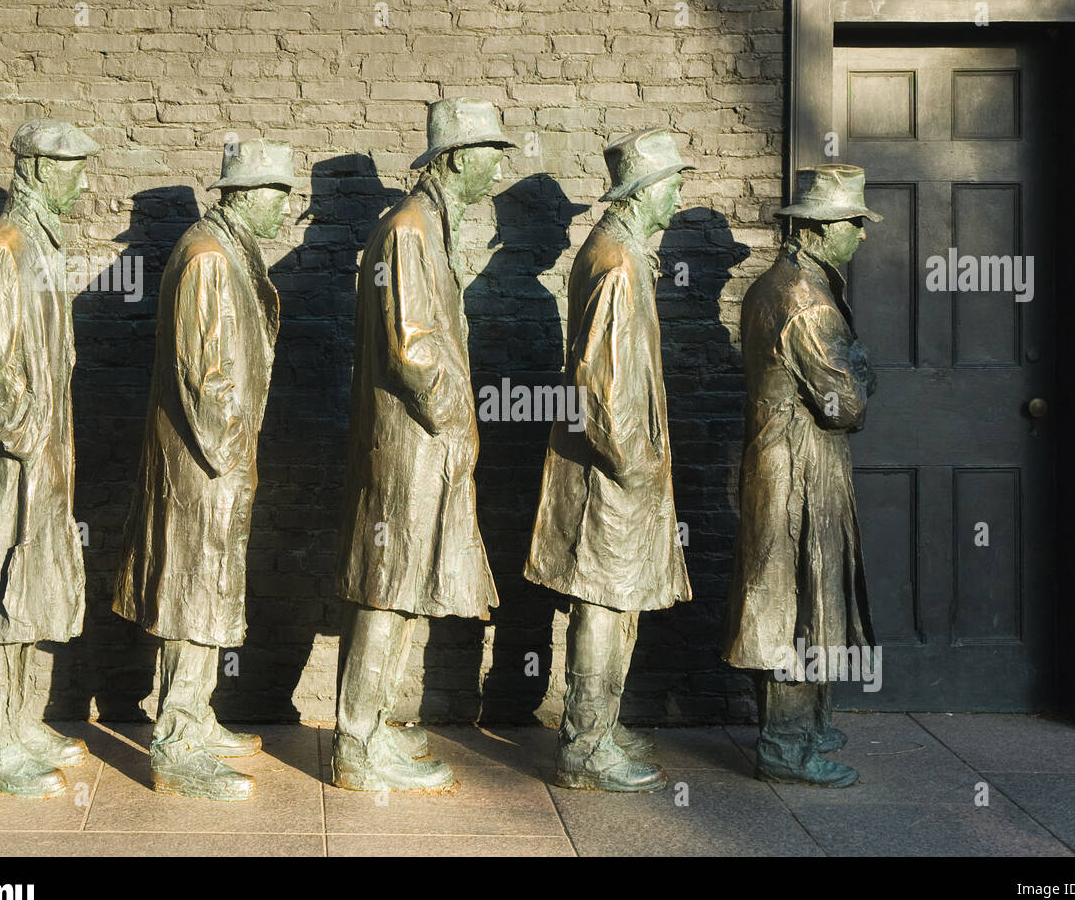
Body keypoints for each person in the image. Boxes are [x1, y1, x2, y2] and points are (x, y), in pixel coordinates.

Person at [333, 98, 513, 791]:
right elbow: (414, 350)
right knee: (389, 585)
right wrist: (458, 421)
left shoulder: (427, 225)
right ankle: (355, 742)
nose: (500, 163)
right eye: (493, 150)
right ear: (461, 157)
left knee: (405, 587)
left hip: (420, 442)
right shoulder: (409, 229)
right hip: (412, 443)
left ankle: (372, 727)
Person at [113, 139, 294, 800]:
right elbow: (206, 378)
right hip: (204, 465)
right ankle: (178, 742)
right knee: (195, 591)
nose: (286, 209)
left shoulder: (223, 251)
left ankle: (196, 712)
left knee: (207, 591)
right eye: (280, 194)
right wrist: (231, 457)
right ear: (247, 195)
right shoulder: (210, 258)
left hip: (212, 462)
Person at [525, 129, 694, 792]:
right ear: (646, 191)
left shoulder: (615, 252)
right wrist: (636, 465)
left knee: (616, 600)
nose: (679, 199)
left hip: (615, 462)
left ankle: (600, 721)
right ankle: (586, 743)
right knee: (605, 601)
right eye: (674, 185)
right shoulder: (619, 261)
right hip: (614, 468)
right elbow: (602, 382)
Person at [0, 118, 99, 797]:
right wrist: (31, 438)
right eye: (72, 169)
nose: (84, 183)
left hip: (40, 457)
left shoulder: (35, 243)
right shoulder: (6, 248)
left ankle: (19, 723)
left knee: (26, 586)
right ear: (34, 170)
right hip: (13, 461)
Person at [725, 163, 880, 787]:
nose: (861, 235)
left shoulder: (778, 283)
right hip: (800, 467)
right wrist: (863, 375)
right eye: (852, 224)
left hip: (788, 458)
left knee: (804, 595)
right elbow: (844, 404)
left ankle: (807, 722)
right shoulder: (804, 301)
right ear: (817, 230)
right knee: (798, 599)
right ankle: (787, 745)